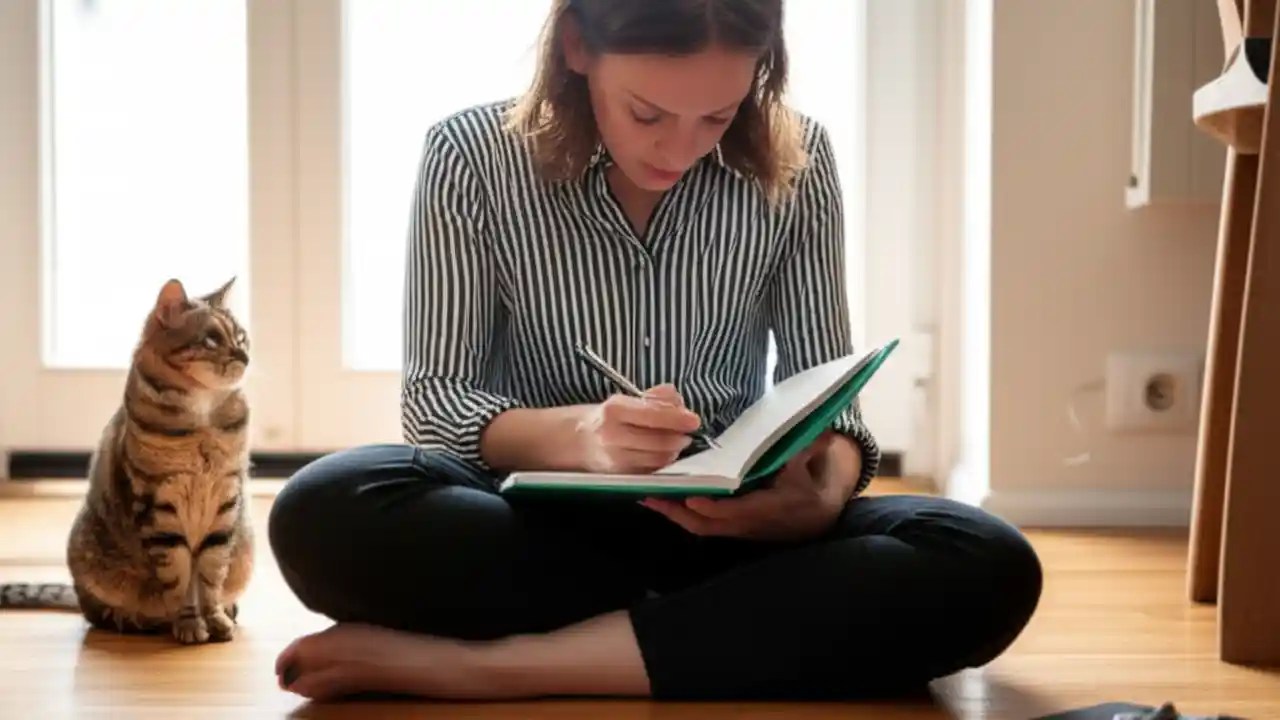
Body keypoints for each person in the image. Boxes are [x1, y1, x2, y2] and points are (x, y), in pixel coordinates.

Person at [267, 0, 1042, 703]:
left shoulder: (796, 160)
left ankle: (487, 668)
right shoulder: (471, 156)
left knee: (988, 559)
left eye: (717, 115)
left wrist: (822, 493)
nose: (682, 148)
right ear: (576, 46)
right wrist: (582, 437)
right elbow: (437, 401)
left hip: (735, 536)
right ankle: (722, 636)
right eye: (647, 113)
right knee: (322, 508)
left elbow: (826, 397)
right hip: (530, 530)